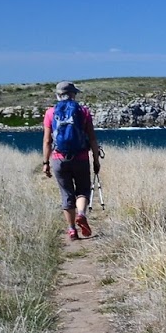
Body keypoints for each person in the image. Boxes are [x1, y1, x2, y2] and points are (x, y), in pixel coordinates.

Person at [42, 81, 100, 241]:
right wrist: (96, 160)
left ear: (58, 95)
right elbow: (93, 139)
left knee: (66, 194)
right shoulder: (83, 111)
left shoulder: (50, 113)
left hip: (59, 159)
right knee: (82, 191)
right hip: (80, 157)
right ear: (73, 94)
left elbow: (47, 140)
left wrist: (45, 163)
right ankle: (81, 214)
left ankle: (72, 230)